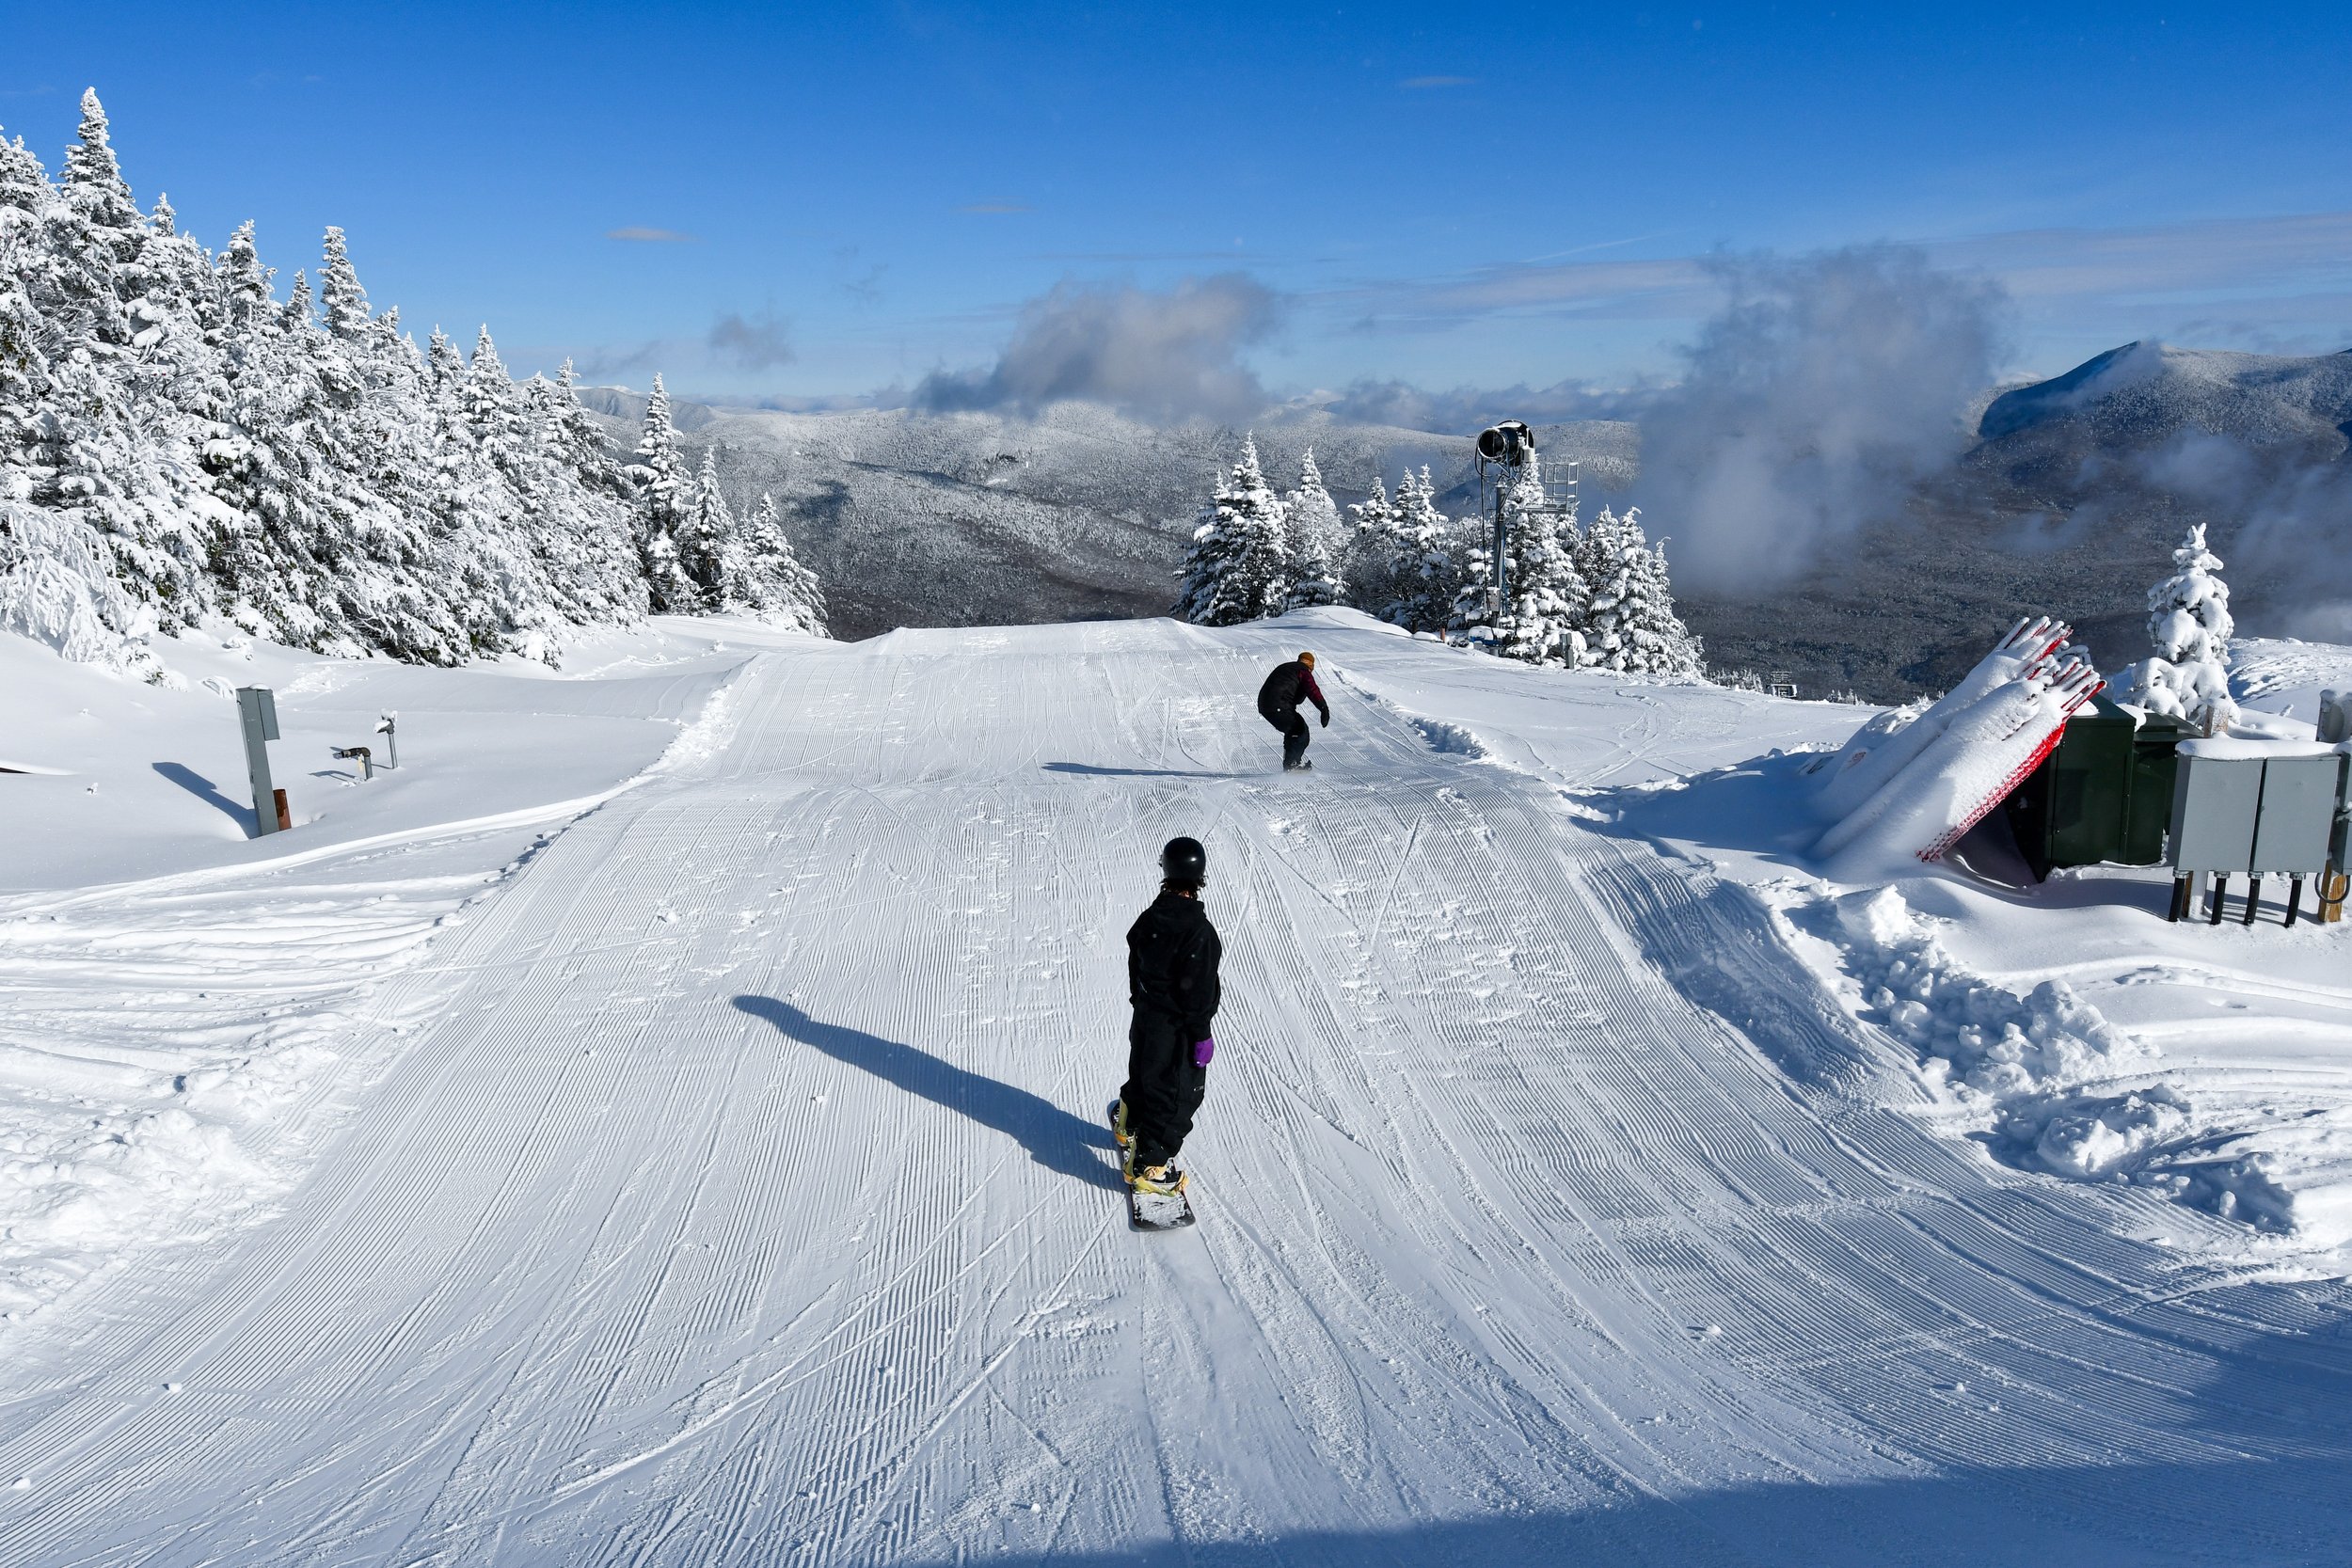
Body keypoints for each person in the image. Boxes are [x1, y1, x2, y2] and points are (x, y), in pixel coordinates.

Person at [1111, 836, 1222, 1197]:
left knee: (1145, 1073)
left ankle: (1129, 1120)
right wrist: (1201, 1033)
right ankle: (1148, 1166)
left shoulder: (1151, 916)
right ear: (1200, 876)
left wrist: (1138, 997)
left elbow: (1134, 954)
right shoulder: (1198, 933)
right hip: (1176, 1028)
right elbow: (1198, 992)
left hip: (1147, 1017)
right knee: (1176, 1095)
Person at [1256, 650, 1330, 771]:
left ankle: (1291, 763)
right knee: (1299, 731)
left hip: (1267, 704)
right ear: (1311, 665)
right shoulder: (1303, 671)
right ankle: (1291, 764)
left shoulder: (1288, 668)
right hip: (1278, 704)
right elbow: (1312, 689)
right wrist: (1323, 708)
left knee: (1295, 729)